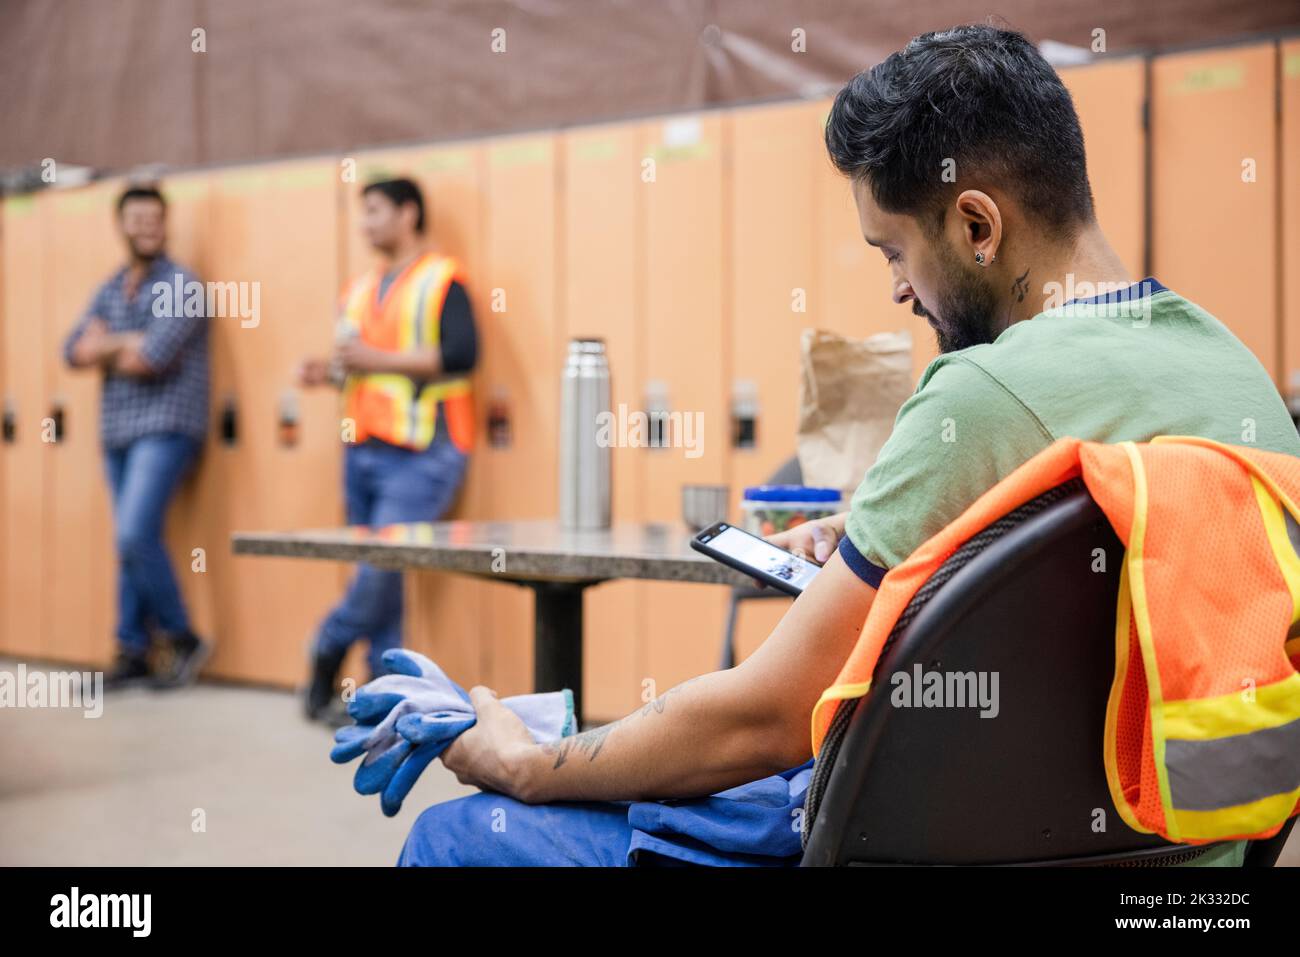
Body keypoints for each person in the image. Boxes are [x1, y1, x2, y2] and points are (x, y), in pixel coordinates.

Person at [398, 24, 1300, 865]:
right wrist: (894, 547)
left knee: (464, 834)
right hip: (1180, 875)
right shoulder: (1239, 377)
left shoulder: (983, 392)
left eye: (893, 253)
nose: (898, 293)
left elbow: (763, 717)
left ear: (978, 228)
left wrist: (524, 763)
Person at [299, 178, 478, 724]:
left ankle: (326, 648)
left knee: (380, 568)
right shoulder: (358, 289)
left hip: (424, 448)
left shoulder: (443, 279)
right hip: (363, 449)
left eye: (375, 211)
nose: (365, 224)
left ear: (408, 214)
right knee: (385, 575)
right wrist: (326, 372)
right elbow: (358, 364)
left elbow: (460, 354)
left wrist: (371, 359)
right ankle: (383, 695)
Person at [63, 185, 212, 690]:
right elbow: (71, 351)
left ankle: (183, 636)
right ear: (121, 224)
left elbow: (149, 358)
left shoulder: (184, 284)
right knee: (129, 541)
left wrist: (108, 344)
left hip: (166, 426)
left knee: (134, 533)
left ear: (165, 224)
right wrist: (121, 342)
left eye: (154, 218)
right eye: (136, 218)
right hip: (118, 429)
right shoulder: (110, 286)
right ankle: (132, 649)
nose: (146, 226)